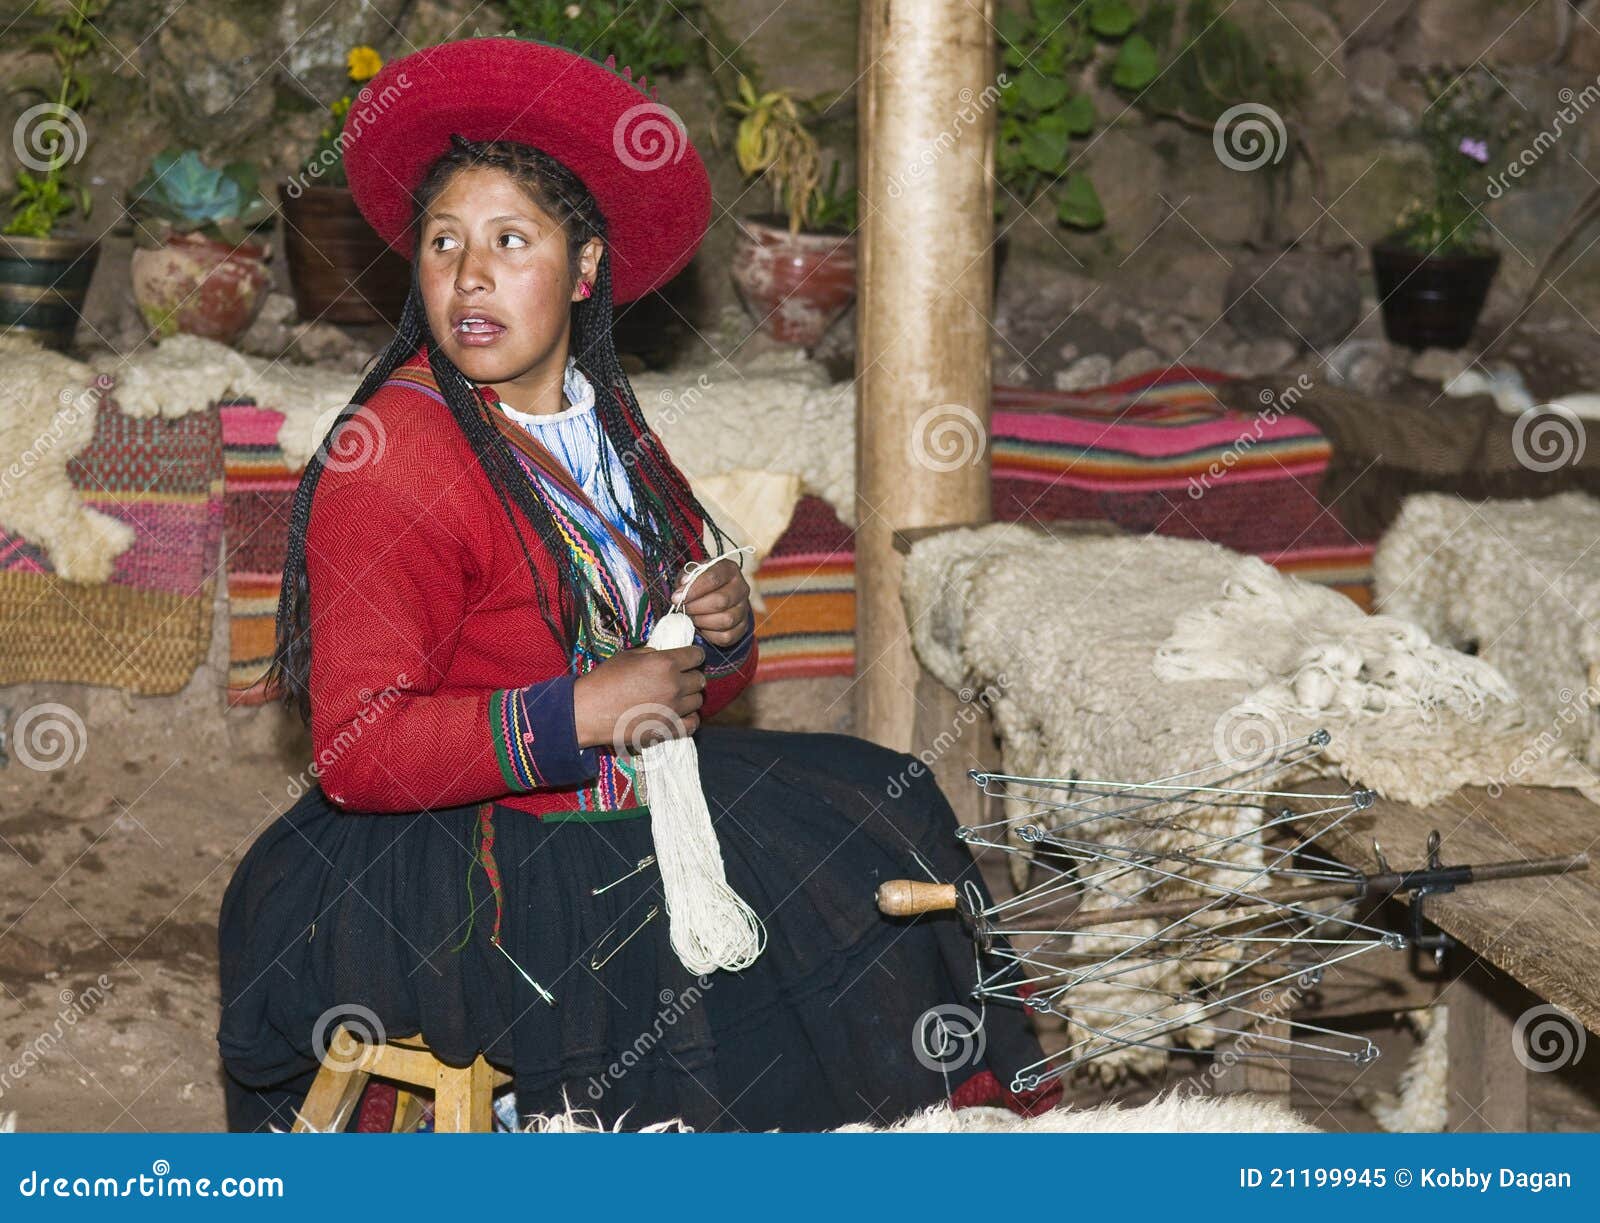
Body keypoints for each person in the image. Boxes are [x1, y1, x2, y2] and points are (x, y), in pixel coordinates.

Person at [215, 35, 1050, 1133]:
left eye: (511, 241)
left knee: (883, 804)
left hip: (624, 791)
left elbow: (670, 646)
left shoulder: (602, 423)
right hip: (460, 854)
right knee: (696, 949)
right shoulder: (401, 452)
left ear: (585, 267)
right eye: (442, 243)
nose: (469, 276)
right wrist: (581, 709)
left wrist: (720, 628)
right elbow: (356, 748)